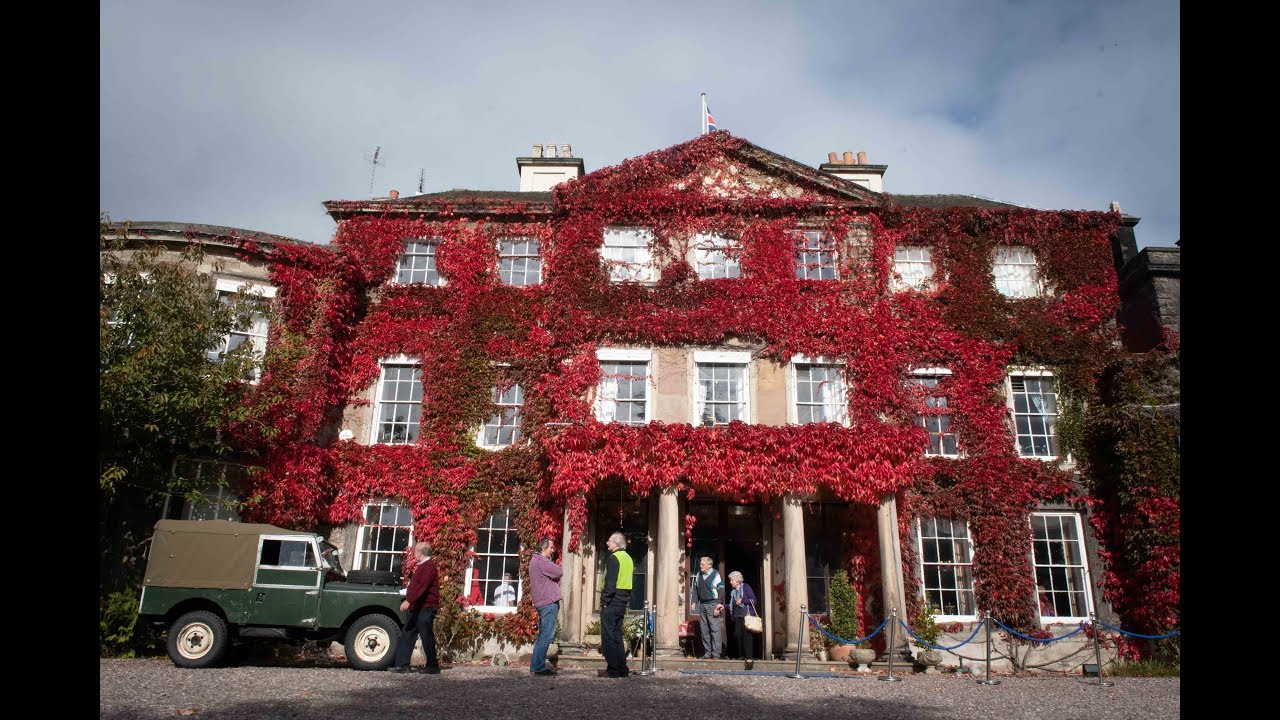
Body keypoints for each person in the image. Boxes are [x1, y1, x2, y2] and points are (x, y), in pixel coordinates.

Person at [388, 541, 441, 674]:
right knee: (408, 632)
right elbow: (415, 586)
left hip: (427, 606)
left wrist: (409, 600)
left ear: (420, 553)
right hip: (418, 606)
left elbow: (422, 587)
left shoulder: (429, 567)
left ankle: (432, 665)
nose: (414, 554)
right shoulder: (423, 566)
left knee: (426, 634)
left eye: (416, 551)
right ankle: (402, 664)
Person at [598, 531, 633, 678]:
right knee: (617, 637)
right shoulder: (629, 558)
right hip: (622, 601)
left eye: (610, 541)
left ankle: (613, 669)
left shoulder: (614, 558)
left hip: (612, 601)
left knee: (608, 637)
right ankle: (622, 669)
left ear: (617, 543)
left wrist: (604, 601)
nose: (607, 543)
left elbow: (610, 583)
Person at [528, 538, 563, 676]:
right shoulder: (542, 561)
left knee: (543, 635)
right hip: (548, 602)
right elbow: (559, 571)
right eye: (551, 548)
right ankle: (538, 667)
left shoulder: (535, 560)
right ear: (543, 548)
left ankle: (536, 666)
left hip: (542, 601)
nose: (552, 550)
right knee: (546, 635)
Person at [693, 556, 725, 659]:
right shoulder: (698, 574)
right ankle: (707, 653)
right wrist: (694, 602)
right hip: (702, 604)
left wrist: (719, 603)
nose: (700, 566)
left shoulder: (715, 574)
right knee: (704, 629)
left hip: (713, 604)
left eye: (703, 564)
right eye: (700, 564)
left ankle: (716, 654)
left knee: (714, 629)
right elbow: (695, 590)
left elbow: (721, 589)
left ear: (709, 565)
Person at [727, 570, 758, 668]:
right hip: (737, 616)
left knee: (747, 636)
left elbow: (753, 600)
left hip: (746, 615)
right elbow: (732, 604)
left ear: (737, 580)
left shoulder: (746, 587)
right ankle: (741, 655)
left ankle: (749, 658)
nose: (730, 582)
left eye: (732, 580)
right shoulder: (733, 592)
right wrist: (723, 606)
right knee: (738, 635)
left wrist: (743, 600)